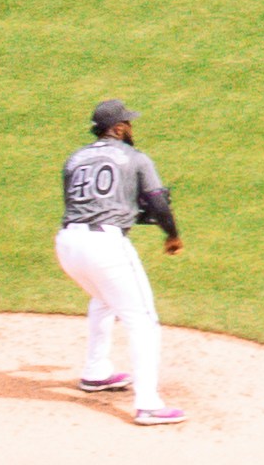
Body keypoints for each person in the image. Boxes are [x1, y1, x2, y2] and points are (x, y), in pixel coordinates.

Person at [53, 93, 183, 428]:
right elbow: (157, 201)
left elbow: (91, 203)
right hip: (105, 246)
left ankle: (96, 373)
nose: (131, 126)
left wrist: (130, 212)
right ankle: (148, 404)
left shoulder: (74, 159)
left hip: (68, 244)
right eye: (128, 122)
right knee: (142, 319)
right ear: (120, 128)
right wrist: (171, 234)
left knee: (104, 298)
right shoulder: (135, 158)